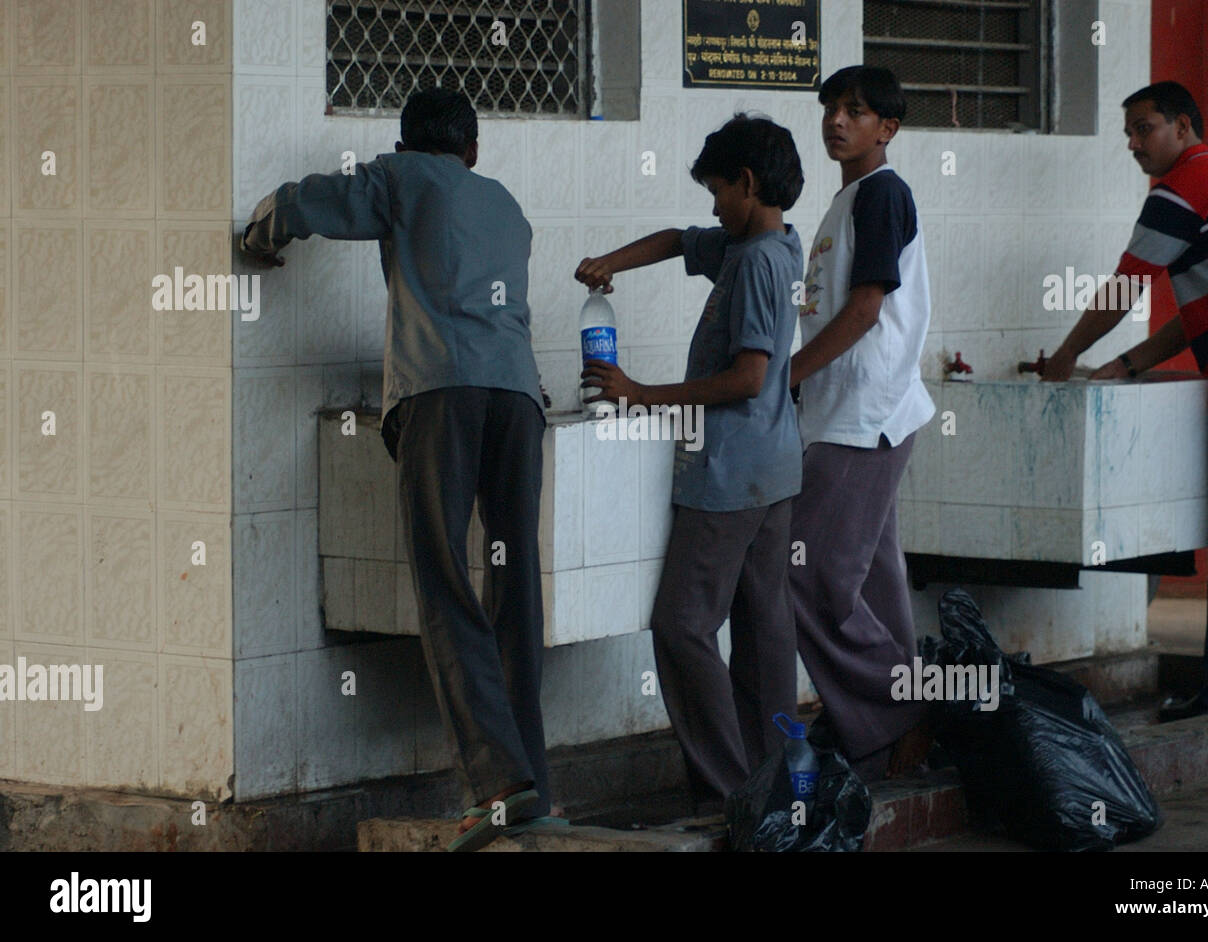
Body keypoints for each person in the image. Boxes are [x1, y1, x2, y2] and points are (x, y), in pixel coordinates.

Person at [240, 88, 554, 851]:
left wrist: (262, 229)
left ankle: (501, 785)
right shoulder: (507, 204)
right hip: (518, 397)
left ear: (407, 146)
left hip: (443, 394)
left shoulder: (403, 177)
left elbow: (318, 201)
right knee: (513, 584)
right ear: (473, 150)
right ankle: (533, 780)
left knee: (444, 583)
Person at [1041, 81, 1208, 720]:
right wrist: (1128, 363)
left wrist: (1066, 357)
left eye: (1143, 127)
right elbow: (1207, 308)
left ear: (1183, 127)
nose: (1132, 142)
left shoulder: (1180, 188)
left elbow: (1126, 284)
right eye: (1128, 131)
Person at [574, 114, 805, 809]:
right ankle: (772, 784)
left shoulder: (759, 261)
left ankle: (730, 788)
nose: (711, 207)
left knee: (681, 624)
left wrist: (641, 393)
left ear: (747, 182)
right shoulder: (761, 243)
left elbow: (747, 378)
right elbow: (679, 241)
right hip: (773, 467)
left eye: (717, 192)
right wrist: (612, 262)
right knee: (763, 628)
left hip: (731, 474)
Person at [787, 66, 936, 781]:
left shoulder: (880, 194)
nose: (837, 121)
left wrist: (788, 373)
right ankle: (900, 732)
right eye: (831, 109)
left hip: (862, 416)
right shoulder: (848, 200)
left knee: (808, 574)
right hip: (850, 414)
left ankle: (896, 715)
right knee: (875, 580)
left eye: (855, 111)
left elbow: (866, 309)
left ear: (889, 129)